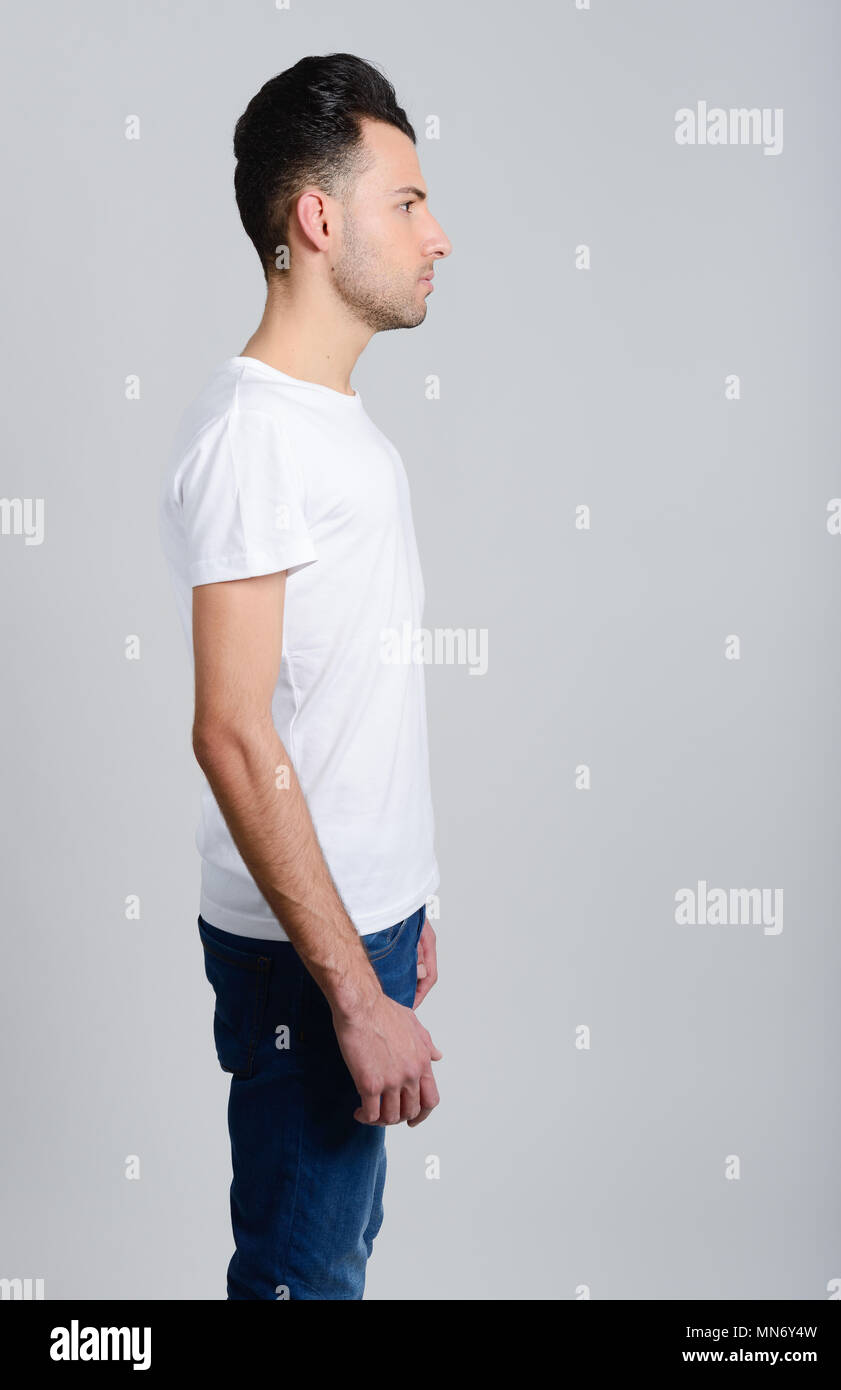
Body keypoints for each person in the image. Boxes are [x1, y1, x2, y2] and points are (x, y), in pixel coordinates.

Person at [157, 52, 452, 1300]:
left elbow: (340, 699)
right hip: (303, 956)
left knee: (333, 1255)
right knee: (298, 1278)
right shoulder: (254, 438)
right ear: (317, 220)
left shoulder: (329, 425)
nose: (439, 236)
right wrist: (351, 988)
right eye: (407, 202)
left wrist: (404, 897)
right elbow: (230, 734)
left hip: (355, 925)